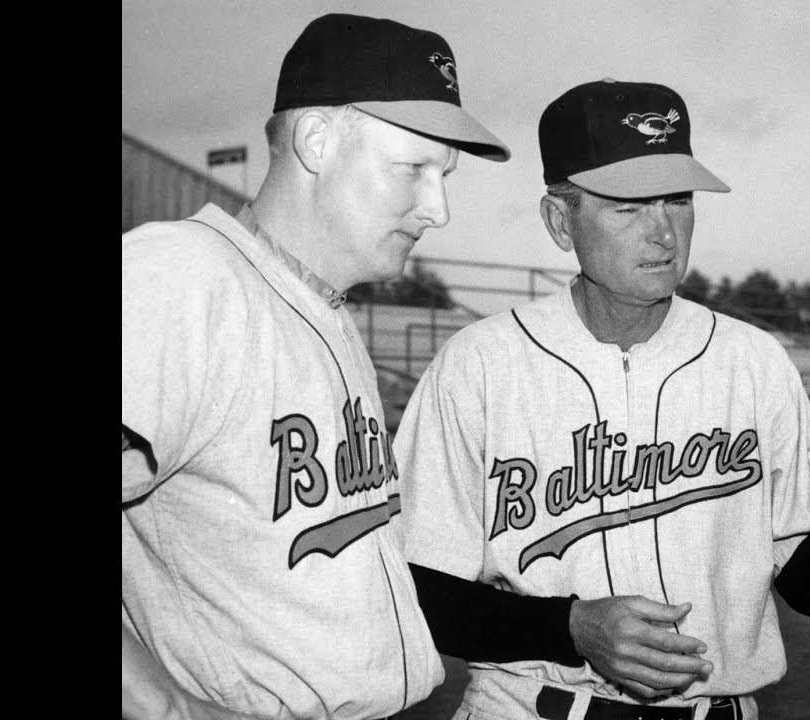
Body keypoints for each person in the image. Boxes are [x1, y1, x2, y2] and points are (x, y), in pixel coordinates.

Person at [392, 77, 810, 720]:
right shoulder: (478, 366)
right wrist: (570, 628)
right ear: (560, 221)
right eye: (628, 207)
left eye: (677, 200)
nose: (664, 233)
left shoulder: (754, 363)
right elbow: (417, 592)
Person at [122, 13, 521, 719]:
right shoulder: (181, 276)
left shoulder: (323, 306)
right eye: (414, 169)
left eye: (445, 175)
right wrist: (164, 706)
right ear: (316, 140)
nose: (438, 209)